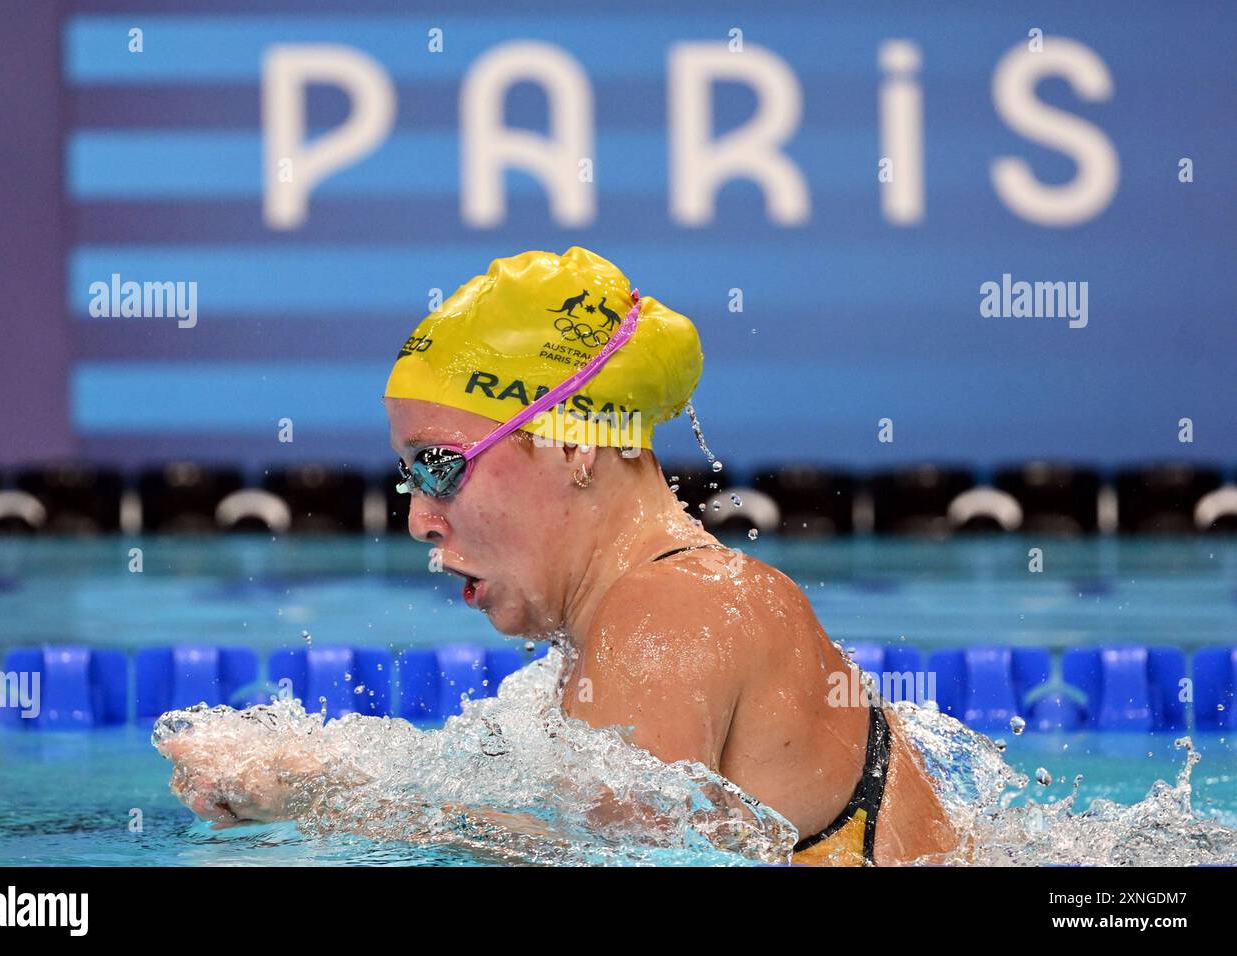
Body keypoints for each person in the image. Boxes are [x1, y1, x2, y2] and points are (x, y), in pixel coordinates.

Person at [163, 246, 960, 865]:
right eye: (407, 477)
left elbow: (616, 857)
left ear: (576, 443)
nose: (419, 519)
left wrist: (322, 796)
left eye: (439, 466)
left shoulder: (672, 613)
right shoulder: (668, 606)